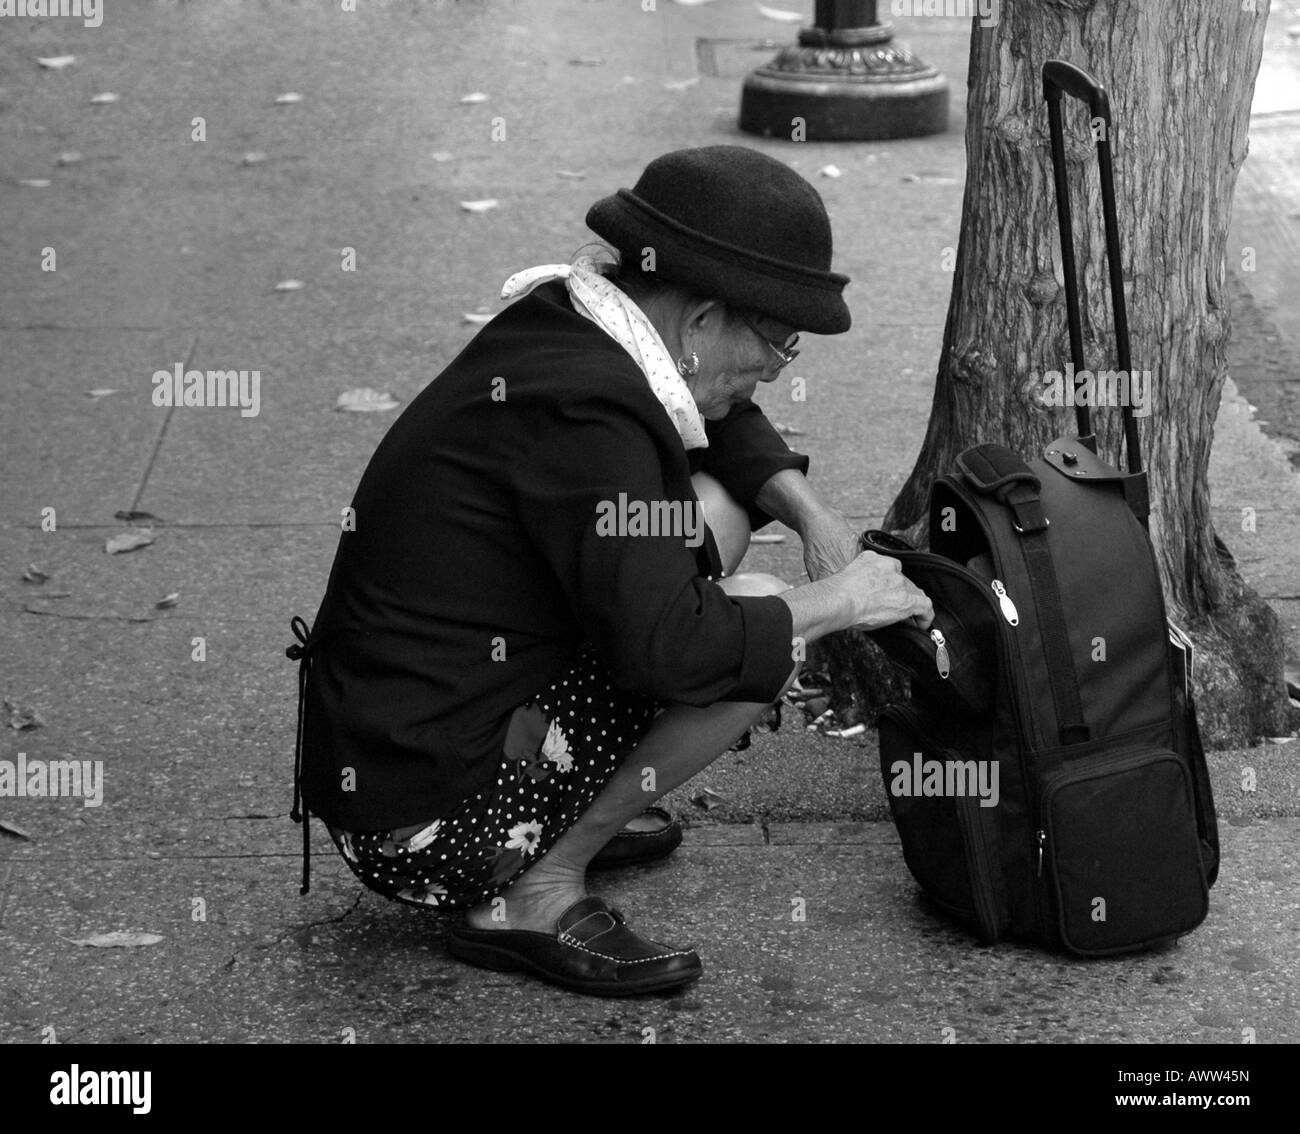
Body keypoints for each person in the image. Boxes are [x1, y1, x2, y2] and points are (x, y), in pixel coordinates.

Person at [287, 144, 933, 997]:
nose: (778, 367)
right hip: (420, 818)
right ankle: (537, 887)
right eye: (777, 342)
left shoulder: (582, 321)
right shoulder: (593, 414)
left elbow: (725, 415)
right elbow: (673, 653)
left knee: (723, 506)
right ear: (700, 321)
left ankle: (555, 810)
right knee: (767, 627)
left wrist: (814, 518)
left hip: (406, 731)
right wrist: (841, 600)